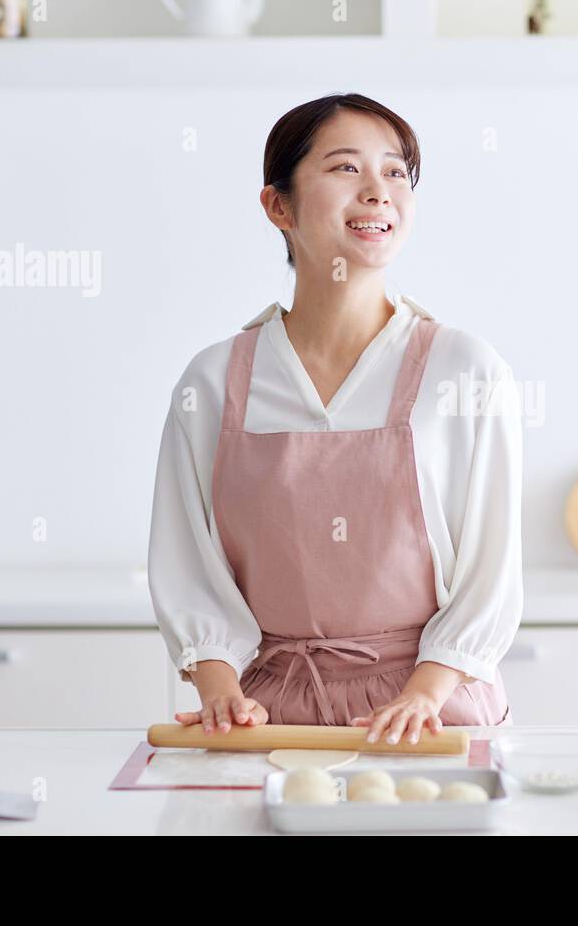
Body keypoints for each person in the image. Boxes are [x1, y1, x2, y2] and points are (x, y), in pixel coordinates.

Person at [147, 93, 522, 747]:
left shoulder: (466, 371)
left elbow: (492, 568)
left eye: (397, 171)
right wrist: (220, 692)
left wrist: (422, 693)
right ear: (278, 206)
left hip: (431, 714)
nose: (379, 191)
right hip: (269, 719)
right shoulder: (212, 382)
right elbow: (188, 563)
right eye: (347, 168)